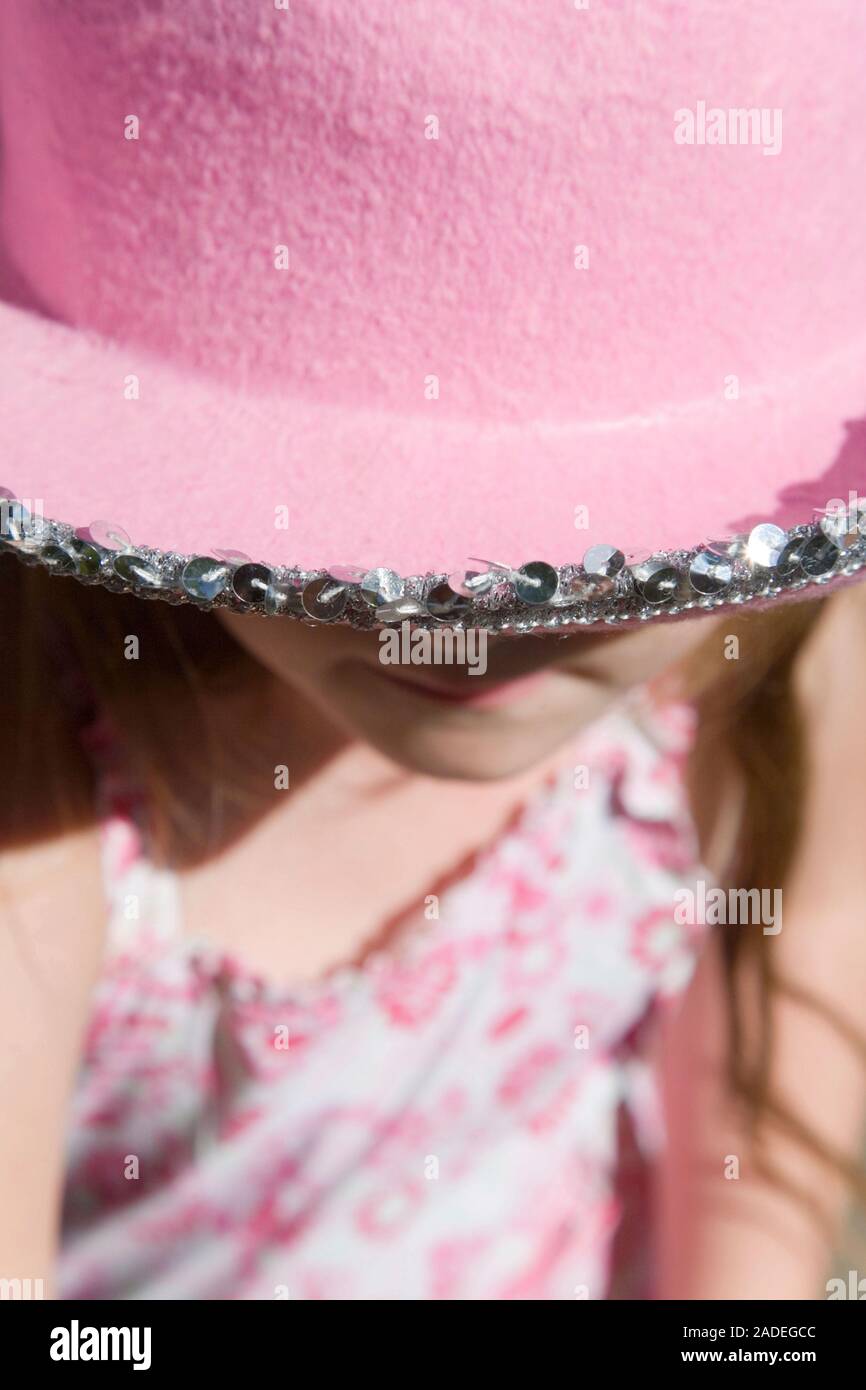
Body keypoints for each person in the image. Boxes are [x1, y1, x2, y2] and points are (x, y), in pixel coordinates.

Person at [1, 0, 865, 1300]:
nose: (478, 626)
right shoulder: (41, 764)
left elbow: (778, 1002)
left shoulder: (761, 659)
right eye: (359, 544)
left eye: (630, 555)